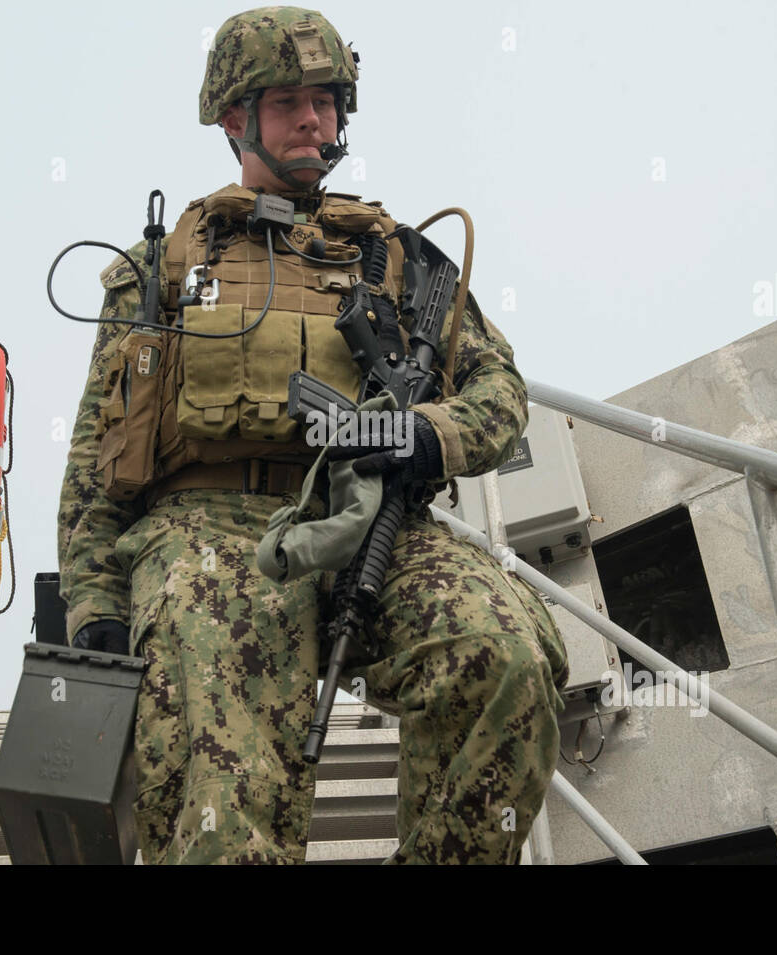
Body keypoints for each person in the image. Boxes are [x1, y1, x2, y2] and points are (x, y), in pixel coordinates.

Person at [57, 6, 568, 864]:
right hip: (204, 530)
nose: (315, 119)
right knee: (223, 790)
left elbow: (499, 385)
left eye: (329, 100)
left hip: (370, 518)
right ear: (234, 118)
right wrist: (94, 602)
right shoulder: (166, 266)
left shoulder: (398, 258)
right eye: (290, 99)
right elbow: (93, 458)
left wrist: (427, 434)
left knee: (504, 651)